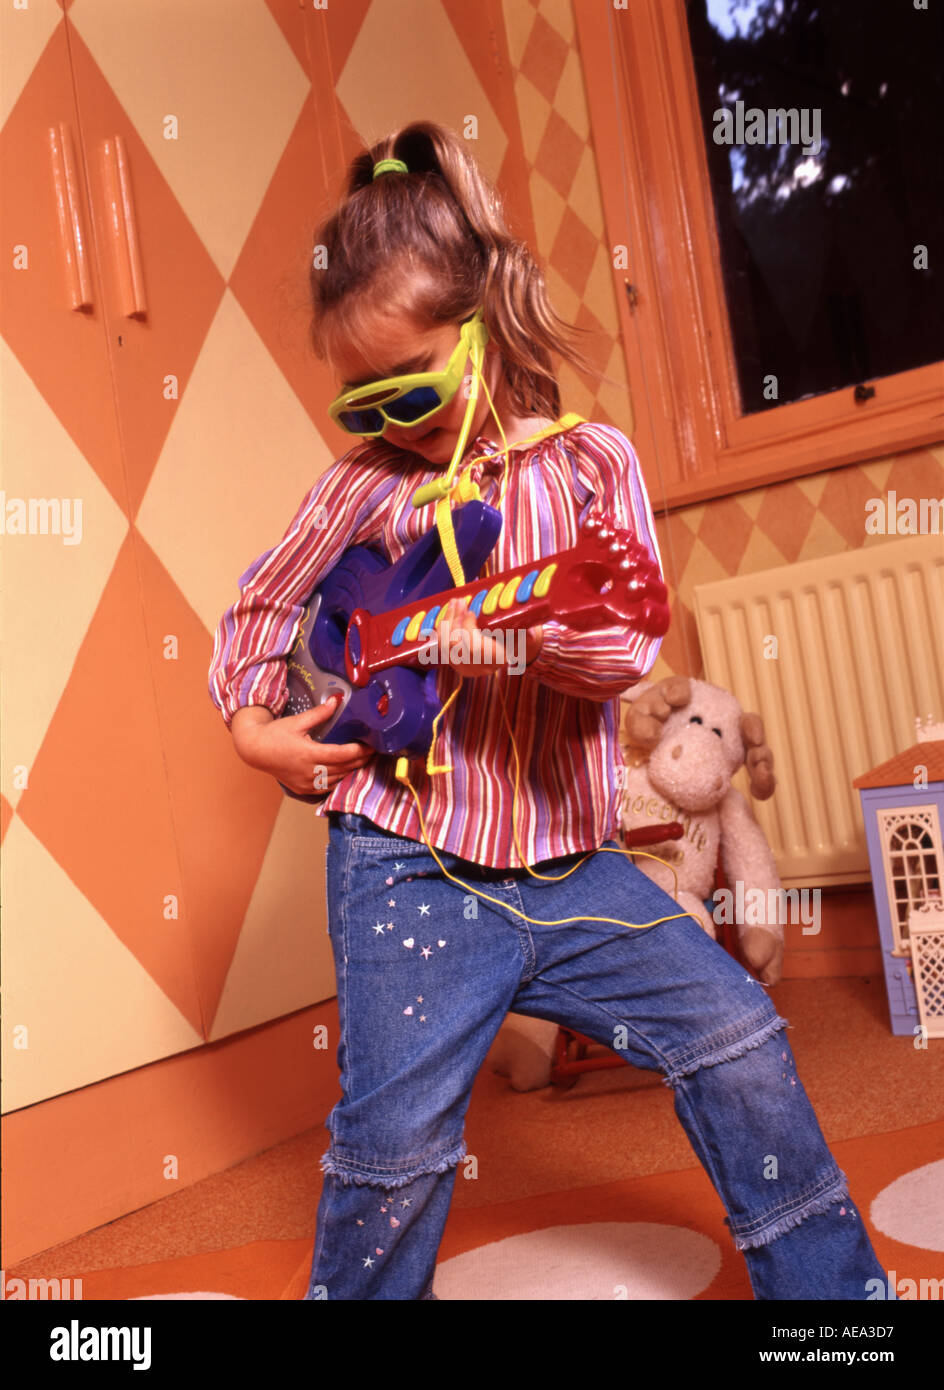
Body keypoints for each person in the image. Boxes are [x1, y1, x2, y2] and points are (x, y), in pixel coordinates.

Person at [208, 121, 889, 1302]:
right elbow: (261, 605)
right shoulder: (357, 487)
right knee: (395, 1154)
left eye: (408, 389)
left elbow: (625, 639)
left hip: (571, 866)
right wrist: (253, 725)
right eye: (357, 405)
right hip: (404, 869)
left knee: (734, 1036)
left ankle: (835, 1312)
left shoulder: (592, 468)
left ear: (488, 327)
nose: (385, 426)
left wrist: (528, 644)